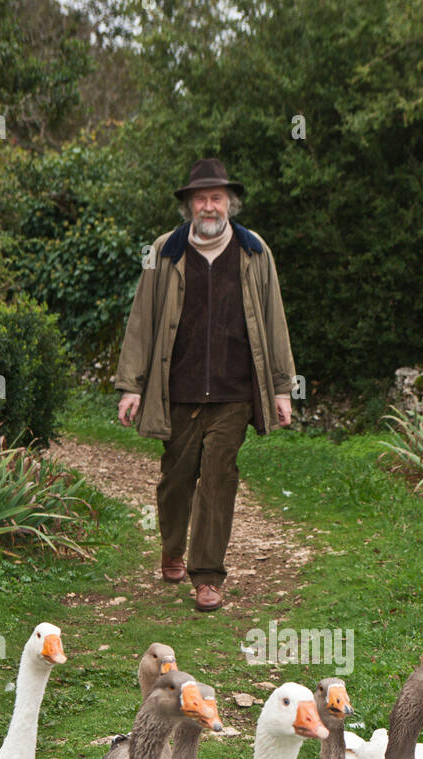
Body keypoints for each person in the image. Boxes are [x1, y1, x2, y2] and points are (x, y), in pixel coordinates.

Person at [115, 158, 296, 612]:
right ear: (188, 205)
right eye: (201, 198)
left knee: (219, 478)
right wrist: (131, 385)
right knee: (176, 480)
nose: (209, 206)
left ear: (229, 203)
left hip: (235, 391)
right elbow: (142, 320)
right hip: (177, 390)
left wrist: (280, 387)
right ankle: (172, 547)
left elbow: (275, 320)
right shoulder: (165, 252)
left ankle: (208, 576)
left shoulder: (255, 252)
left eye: (216, 198)